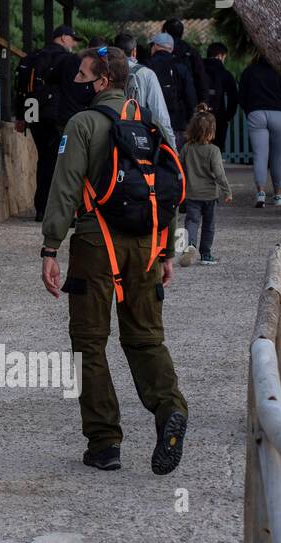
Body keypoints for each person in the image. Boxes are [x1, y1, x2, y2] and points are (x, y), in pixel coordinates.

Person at [41, 46, 188, 476]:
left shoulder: (83, 123)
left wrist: (50, 247)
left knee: (89, 343)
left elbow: (65, 189)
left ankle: (104, 443)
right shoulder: (150, 125)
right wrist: (166, 251)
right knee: (145, 338)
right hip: (144, 246)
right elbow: (166, 188)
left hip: (94, 245)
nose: (78, 83)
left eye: (84, 76)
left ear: (102, 81)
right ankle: (169, 410)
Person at [13, 24, 80, 221]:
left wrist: (21, 117)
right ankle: (49, 210)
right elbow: (70, 90)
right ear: (63, 38)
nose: (74, 44)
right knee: (57, 162)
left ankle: (42, 207)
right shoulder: (67, 59)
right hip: (55, 116)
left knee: (44, 159)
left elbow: (22, 89)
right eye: (72, 39)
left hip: (33, 114)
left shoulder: (33, 57)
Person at [178, 106, 232, 267]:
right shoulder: (213, 151)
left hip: (191, 193)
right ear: (211, 132)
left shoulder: (186, 148)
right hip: (209, 195)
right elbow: (219, 173)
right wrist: (227, 191)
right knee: (209, 225)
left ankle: (190, 244)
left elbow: (178, 167)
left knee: (192, 221)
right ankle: (206, 255)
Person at [239, 55, 281, 208]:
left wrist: (249, 110)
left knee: (260, 156)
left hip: (256, 113)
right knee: (277, 157)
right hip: (278, 114)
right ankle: (277, 195)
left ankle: (261, 193)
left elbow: (242, 96)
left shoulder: (249, 72)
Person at [113, 32, 176, 149]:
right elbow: (160, 116)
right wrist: (172, 147)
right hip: (138, 138)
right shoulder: (146, 74)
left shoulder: (104, 71)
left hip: (111, 136)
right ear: (134, 51)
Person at [146, 31, 196, 136]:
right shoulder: (181, 68)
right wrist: (189, 119)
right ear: (171, 49)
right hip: (177, 124)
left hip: (152, 125)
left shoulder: (147, 67)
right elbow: (190, 96)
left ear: (155, 46)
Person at [164, 18, 210, 110]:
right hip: (188, 101)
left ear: (165, 32)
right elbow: (201, 77)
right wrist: (204, 101)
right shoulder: (190, 51)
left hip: (165, 101)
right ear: (182, 32)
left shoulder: (160, 50)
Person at [203, 42, 240, 154]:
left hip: (199, 116)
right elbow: (233, 98)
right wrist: (227, 116)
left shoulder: (198, 69)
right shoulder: (225, 74)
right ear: (220, 55)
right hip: (218, 118)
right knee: (216, 151)